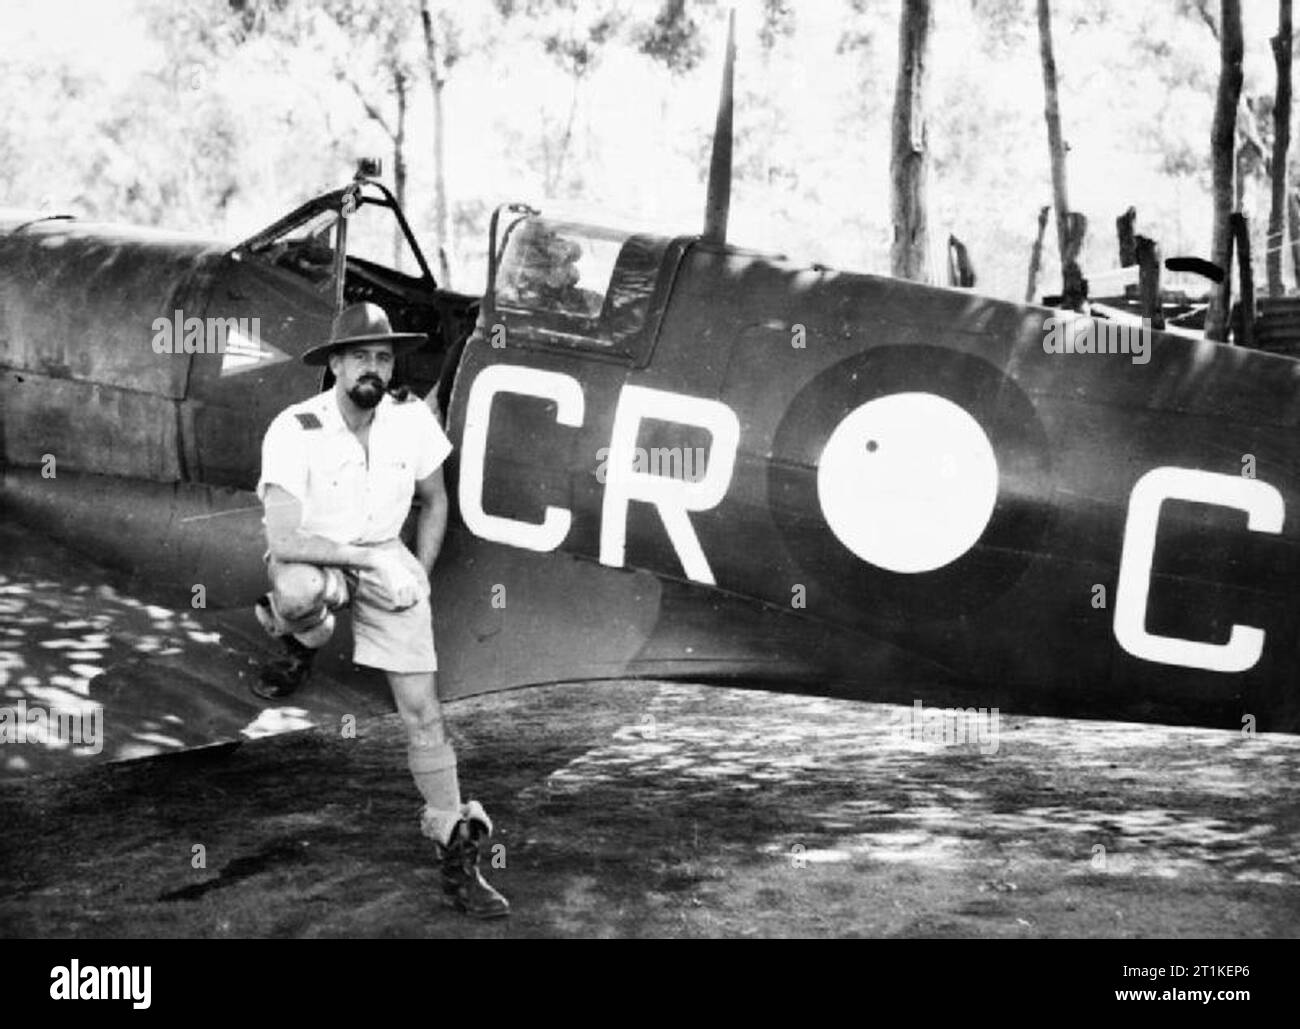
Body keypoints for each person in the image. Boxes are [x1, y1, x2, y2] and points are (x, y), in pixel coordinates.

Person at [251, 301, 508, 919]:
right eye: (361, 355)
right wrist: (367, 565)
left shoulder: (409, 420)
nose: (374, 367)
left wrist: (417, 566)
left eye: (385, 357)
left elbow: (434, 499)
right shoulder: (294, 427)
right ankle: (304, 638)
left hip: (387, 554)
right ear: (336, 363)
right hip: (317, 555)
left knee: (423, 710)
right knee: (299, 593)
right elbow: (285, 541)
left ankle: (452, 836)